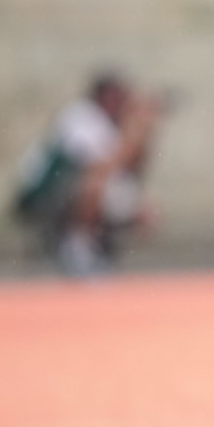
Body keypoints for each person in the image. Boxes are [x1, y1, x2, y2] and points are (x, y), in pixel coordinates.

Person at [15, 70, 165, 276]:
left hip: (70, 189)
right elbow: (99, 168)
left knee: (138, 206)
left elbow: (130, 171)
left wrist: (143, 135)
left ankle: (96, 248)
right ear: (106, 97)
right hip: (44, 192)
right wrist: (132, 134)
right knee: (95, 186)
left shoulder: (110, 123)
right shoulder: (81, 117)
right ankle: (77, 248)